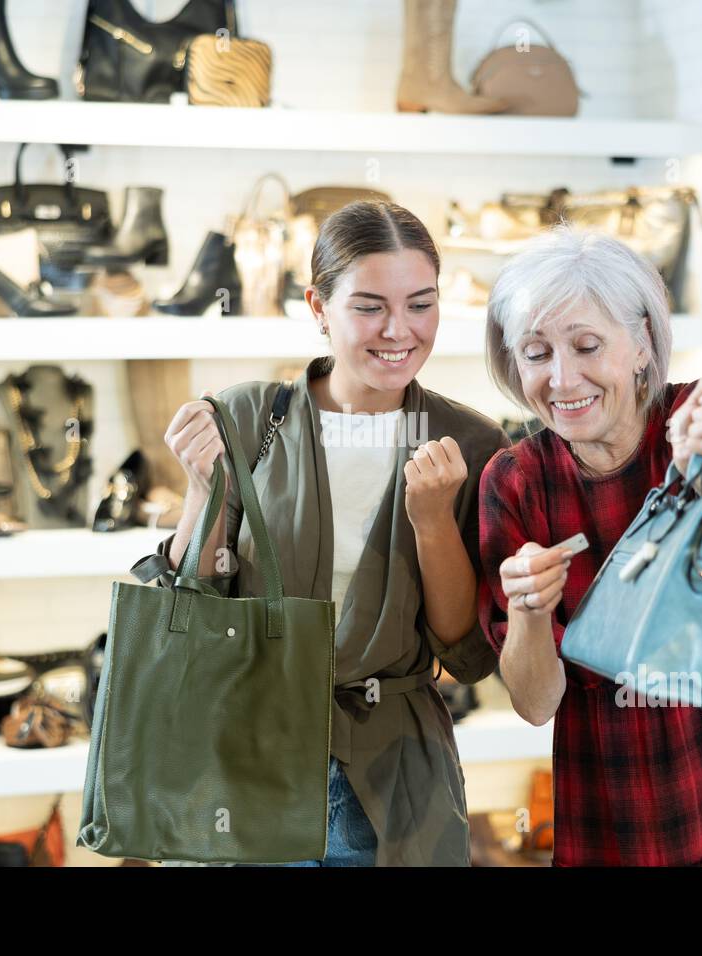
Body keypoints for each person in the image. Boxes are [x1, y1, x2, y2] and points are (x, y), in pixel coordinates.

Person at [477, 226, 702, 866]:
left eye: (587, 345)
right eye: (536, 353)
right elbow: (536, 704)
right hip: (631, 791)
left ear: (643, 343)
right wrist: (531, 613)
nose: (562, 379)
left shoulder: (701, 417)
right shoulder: (515, 483)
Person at [161, 201, 509, 866]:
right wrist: (202, 490)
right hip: (250, 771)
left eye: (421, 304)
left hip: (395, 786)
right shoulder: (248, 417)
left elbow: (466, 655)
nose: (399, 331)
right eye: (369, 306)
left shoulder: (470, 441)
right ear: (318, 307)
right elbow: (193, 610)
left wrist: (433, 521)